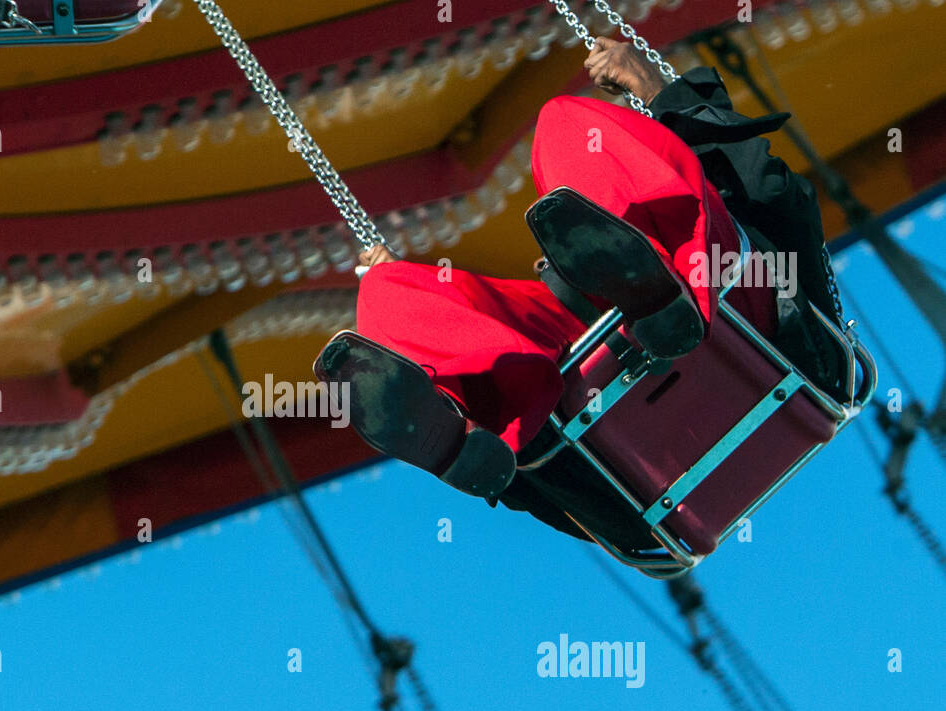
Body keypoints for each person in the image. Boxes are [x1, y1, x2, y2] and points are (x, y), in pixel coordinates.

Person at [316, 38, 848, 549]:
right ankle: (467, 426)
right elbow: (776, 196)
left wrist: (655, 86)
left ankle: (650, 293)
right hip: (676, 359)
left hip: (713, 340)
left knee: (564, 121)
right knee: (387, 294)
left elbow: (772, 196)